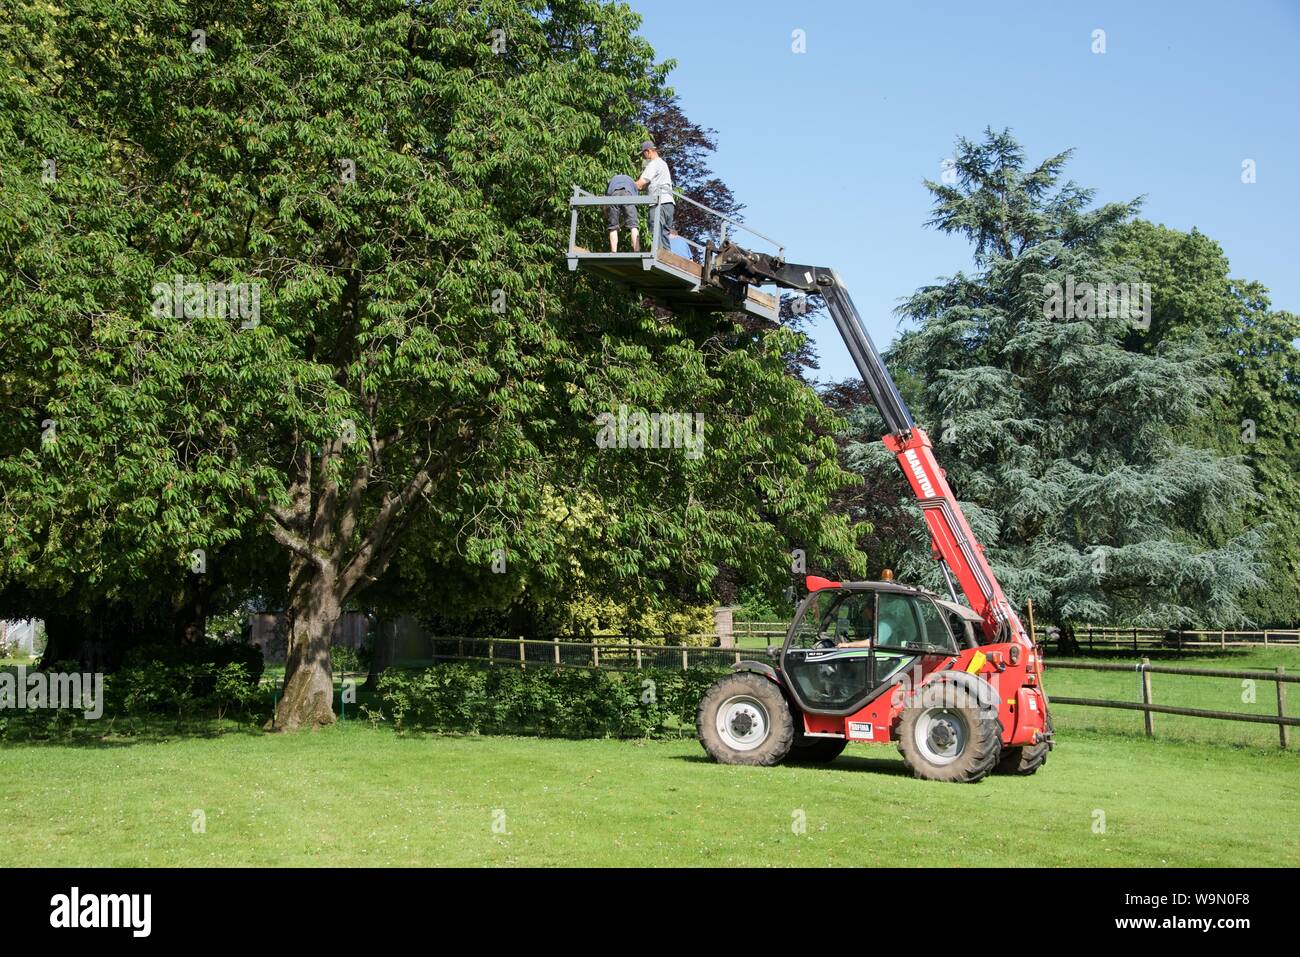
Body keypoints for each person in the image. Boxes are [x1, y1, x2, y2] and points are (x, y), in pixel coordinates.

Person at [634, 140, 675, 247]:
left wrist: (626, 185)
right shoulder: (663, 164)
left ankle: (658, 257)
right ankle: (667, 258)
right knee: (665, 235)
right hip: (669, 203)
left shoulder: (653, 164)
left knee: (657, 234)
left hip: (658, 204)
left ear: (648, 151)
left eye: (643, 154)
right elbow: (646, 186)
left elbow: (639, 184)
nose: (644, 157)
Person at [605, 172, 639, 252]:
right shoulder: (631, 181)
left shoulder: (612, 179)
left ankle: (613, 252)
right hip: (628, 193)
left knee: (613, 226)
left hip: (613, 194)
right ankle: (637, 251)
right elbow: (635, 201)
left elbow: (607, 199)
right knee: (633, 225)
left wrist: (608, 215)